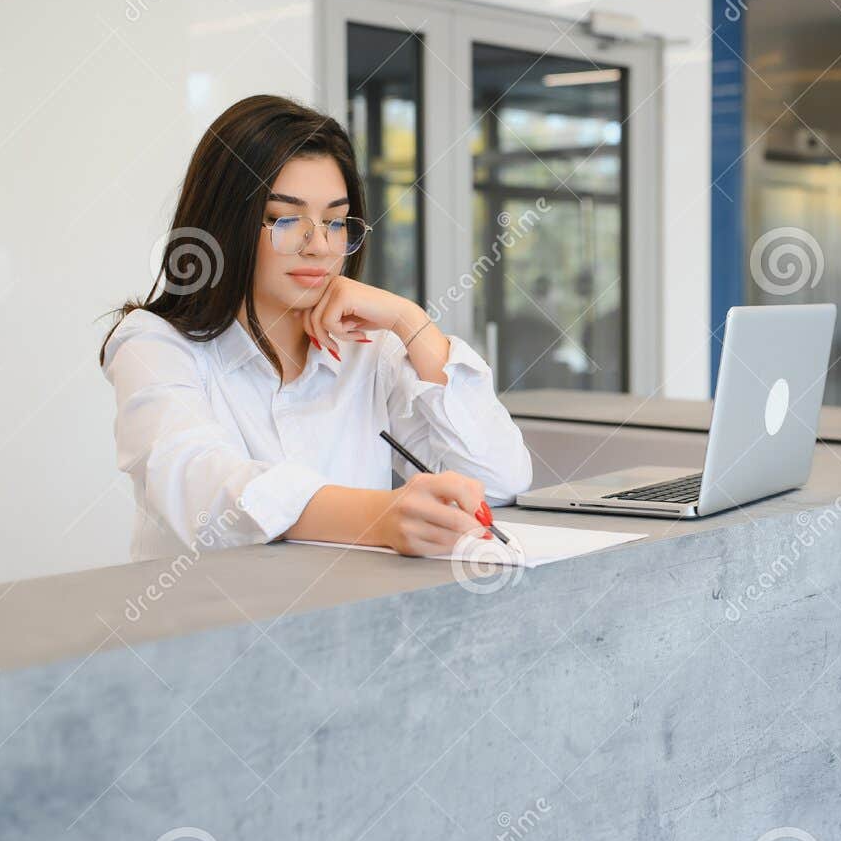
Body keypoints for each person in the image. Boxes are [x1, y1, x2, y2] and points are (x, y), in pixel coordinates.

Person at [99, 94, 532, 560]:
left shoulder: (369, 349)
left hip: (345, 624)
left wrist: (411, 321)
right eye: (285, 219)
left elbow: (500, 480)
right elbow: (206, 496)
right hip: (204, 626)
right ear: (226, 223)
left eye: (335, 221)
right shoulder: (155, 344)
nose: (320, 245)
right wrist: (380, 518)